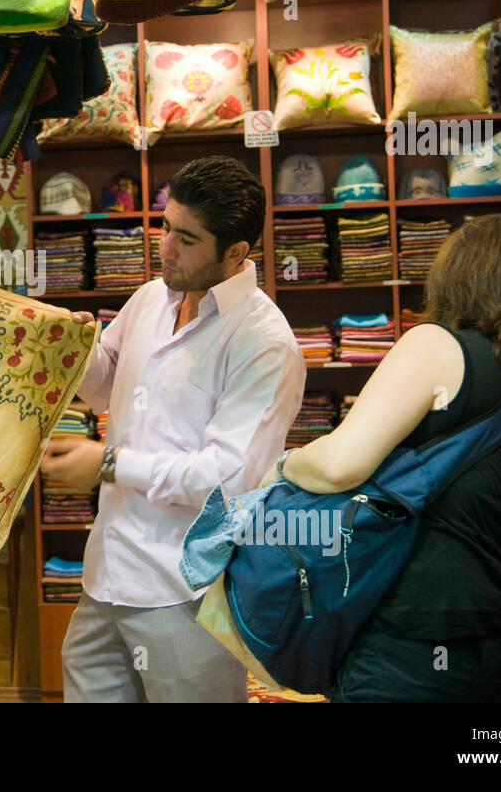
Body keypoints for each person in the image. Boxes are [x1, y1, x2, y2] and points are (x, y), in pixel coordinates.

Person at [277, 213, 501, 702]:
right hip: (498, 636)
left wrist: (282, 464)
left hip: (410, 635)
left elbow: (338, 464)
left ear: (457, 276)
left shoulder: (437, 345)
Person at [41, 156, 305, 703]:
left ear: (236, 254)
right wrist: (71, 348)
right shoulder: (148, 300)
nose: (166, 247)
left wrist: (109, 465)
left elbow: (225, 482)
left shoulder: (263, 342)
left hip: (183, 592)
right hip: (106, 576)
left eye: (187, 238)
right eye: (165, 226)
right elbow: (106, 385)